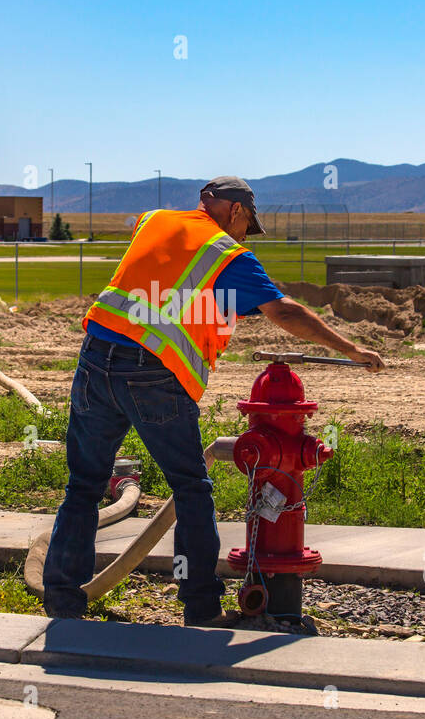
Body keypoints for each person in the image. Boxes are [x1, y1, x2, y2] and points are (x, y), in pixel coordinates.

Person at [42, 176, 384, 626]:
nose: (243, 235)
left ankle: (64, 603)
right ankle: (200, 607)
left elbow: (168, 275)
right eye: (246, 226)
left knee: (83, 486)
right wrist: (353, 350)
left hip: (95, 361)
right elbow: (285, 312)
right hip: (152, 374)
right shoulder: (226, 253)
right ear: (238, 212)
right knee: (191, 489)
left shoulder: (153, 220)